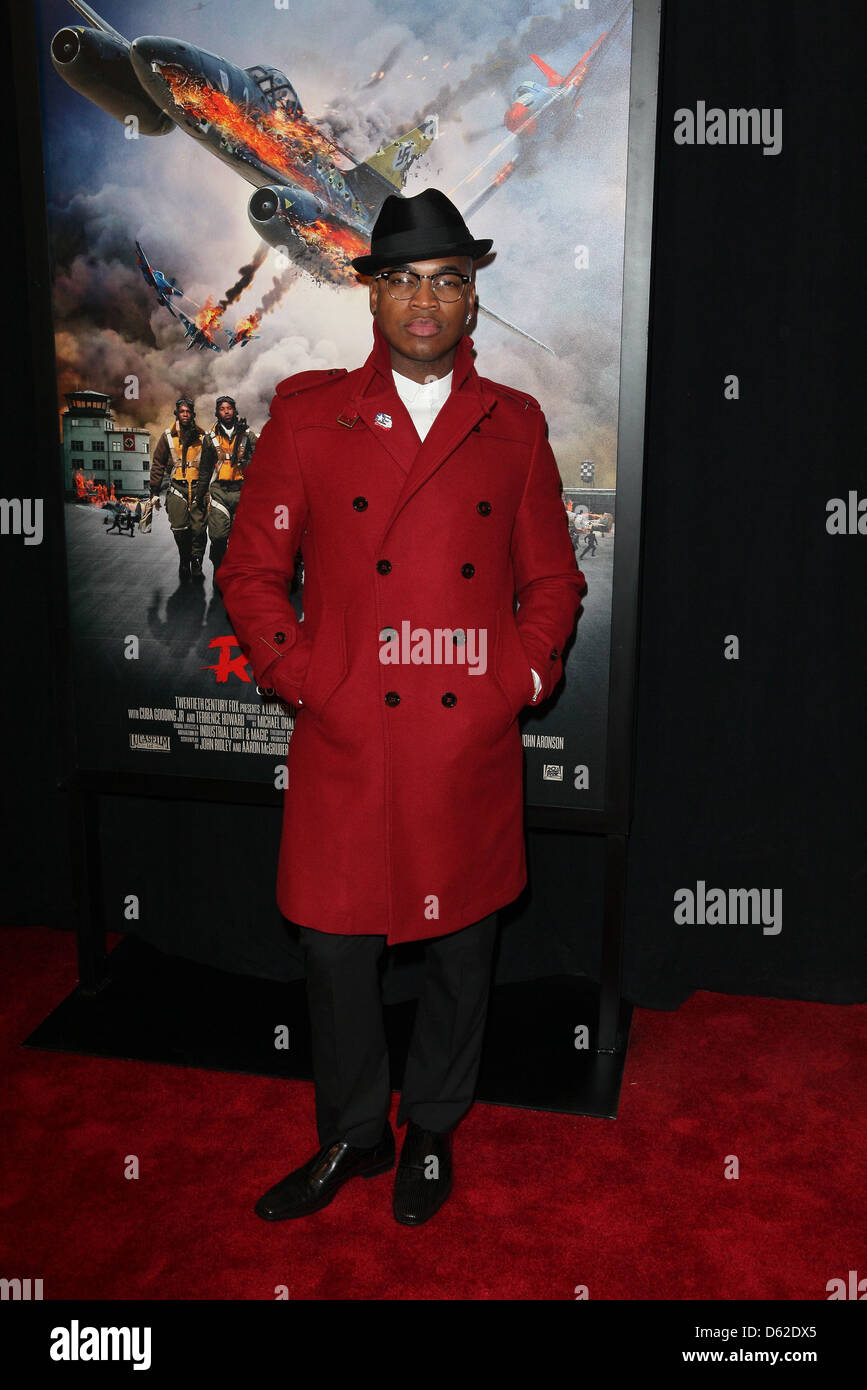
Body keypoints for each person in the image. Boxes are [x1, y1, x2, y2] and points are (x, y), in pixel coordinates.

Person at [217, 188, 587, 1226]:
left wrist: (516, 681)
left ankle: (432, 1124)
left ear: (471, 300)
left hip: (462, 734)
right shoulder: (305, 410)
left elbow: (552, 580)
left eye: (449, 281)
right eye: (405, 281)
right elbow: (252, 571)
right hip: (347, 730)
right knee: (336, 950)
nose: (426, 301)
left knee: (463, 948)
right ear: (371, 294)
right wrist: (304, 676)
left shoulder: (512, 425)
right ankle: (354, 1134)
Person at [196, 395, 258, 583]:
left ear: (234, 410)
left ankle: (240, 571)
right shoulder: (210, 438)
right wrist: (200, 496)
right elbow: (205, 469)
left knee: (243, 537)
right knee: (218, 535)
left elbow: (260, 463)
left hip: (242, 491)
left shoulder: (248, 435)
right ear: (218, 412)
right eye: (222, 408)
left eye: (229, 407)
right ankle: (218, 567)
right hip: (219, 491)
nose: (226, 411)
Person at [148, 396, 208, 582]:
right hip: (177, 488)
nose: (185, 414)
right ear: (177, 413)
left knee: (199, 529)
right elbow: (158, 463)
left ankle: (196, 561)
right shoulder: (167, 437)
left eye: (188, 411)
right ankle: (184, 559)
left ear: (192, 414)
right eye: (181, 411)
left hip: (198, 488)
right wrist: (154, 492)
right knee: (179, 529)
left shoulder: (203, 437)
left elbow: (211, 465)